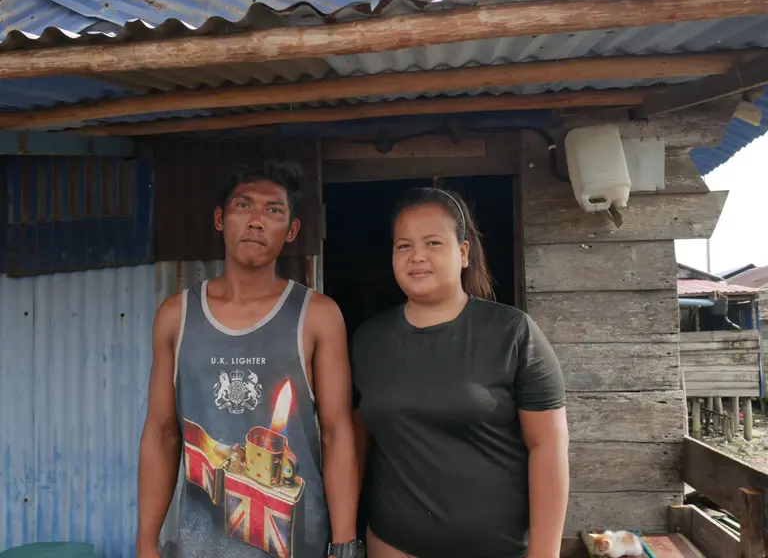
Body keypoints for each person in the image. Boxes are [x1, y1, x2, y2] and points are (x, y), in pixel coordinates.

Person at [137, 157, 363, 558]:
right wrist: (146, 542)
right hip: (200, 546)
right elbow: (161, 431)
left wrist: (344, 545)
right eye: (244, 205)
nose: (257, 220)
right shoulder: (176, 315)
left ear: (292, 230)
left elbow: (336, 432)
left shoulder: (317, 315)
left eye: (273, 210)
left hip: (298, 544)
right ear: (220, 219)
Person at [352, 187, 569, 558]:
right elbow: (355, 445)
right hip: (393, 546)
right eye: (403, 246)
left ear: (463, 253)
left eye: (434, 243)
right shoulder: (368, 340)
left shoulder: (512, 332)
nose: (417, 256)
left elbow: (547, 446)